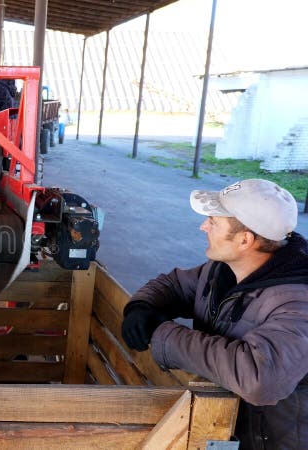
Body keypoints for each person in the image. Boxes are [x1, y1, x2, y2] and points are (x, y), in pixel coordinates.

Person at [120, 179, 308, 449]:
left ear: (245, 240)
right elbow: (174, 285)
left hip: (266, 441)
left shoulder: (297, 302)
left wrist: (163, 336)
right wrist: (142, 307)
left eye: (214, 222)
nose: (203, 226)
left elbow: (261, 379)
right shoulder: (222, 269)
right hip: (219, 428)